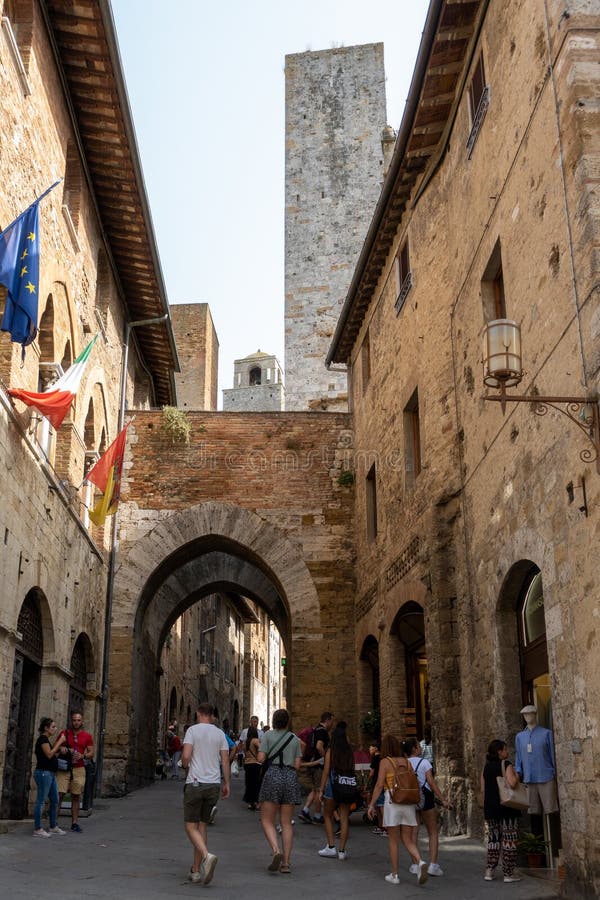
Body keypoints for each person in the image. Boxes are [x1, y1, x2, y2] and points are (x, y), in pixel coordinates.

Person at [368, 733, 428, 886]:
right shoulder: (406, 762)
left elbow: (379, 785)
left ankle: (395, 875)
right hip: (407, 802)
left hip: (392, 801)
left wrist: (371, 804)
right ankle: (420, 862)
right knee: (407, 838)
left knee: (393, 840)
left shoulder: (384, 762)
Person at [181, 702, 230, 885]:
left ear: (198, 714)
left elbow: (186, 756)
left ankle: (206, 856)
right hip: (213, 785)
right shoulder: (220, 734)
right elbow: (225, 761)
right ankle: (195, 870)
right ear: (212, 715)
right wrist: (227, 783)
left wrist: (185, 765)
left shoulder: (192, 731)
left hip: (195, 783)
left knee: (190, 826)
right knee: (202, 825)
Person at [257, 708, 302, 874]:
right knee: (286, 823)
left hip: (273, 775)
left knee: (267, 820)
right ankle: (286, 863)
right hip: (290, 777)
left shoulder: (268, 736)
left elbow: (261, 758)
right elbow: (297, 765)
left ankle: (276, 850)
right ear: (288, 721)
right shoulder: (295, 739)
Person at [404, 737, 449, 877]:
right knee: (432, 831)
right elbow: (431, 782)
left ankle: (415, 864)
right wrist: (443, 799)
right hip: (426, 797)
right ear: (414, 749)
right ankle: (433, 865)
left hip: (411, 798)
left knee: (413, 832)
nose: (421, 747)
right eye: (418, 745)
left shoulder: (404, 763)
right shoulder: (425, 763)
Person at [481, 739, 522, 883]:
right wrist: (517, 775)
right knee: (509, 840)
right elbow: (512, 783)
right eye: (505, 749)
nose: (507, 751)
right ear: (499, 752)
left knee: (493, 839)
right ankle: (508, 873)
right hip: (506, 807)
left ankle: (489, 870)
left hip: (491, 808)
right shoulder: (507, 764)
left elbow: (483, 789)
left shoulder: (486, 767)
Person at [317, 721, 356, 860]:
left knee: (327, 815)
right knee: (344, 818)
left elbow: (326, 772)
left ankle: (331, 846)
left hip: (333, 787)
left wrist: (321, 790)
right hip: (346, 786)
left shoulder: (330, 751)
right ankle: (342, 851)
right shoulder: (349, 751)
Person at [514, 705, 558, 816]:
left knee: (550, 809)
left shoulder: (546, 733)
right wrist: (518, 772)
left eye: (530, 713)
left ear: (535, 714)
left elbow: (552, 753)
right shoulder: (520, 737)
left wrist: (554, 771)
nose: (527, 716)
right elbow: (518, 756)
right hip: (529, 777)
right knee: (533, 809)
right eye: (525, 714)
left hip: (546, 776)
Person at [56, 709, 94, 833]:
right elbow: (56, 747)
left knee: (76, 795)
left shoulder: (87, 736)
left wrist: (83, 756)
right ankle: (54, 823)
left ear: (82, 721)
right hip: (64, 768)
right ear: (71, 721)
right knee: (59, 795)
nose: (76, 723)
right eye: (74, 720)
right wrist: (62, 748)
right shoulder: (64, 733)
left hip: (79, 768)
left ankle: (74, 823)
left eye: (78, 720)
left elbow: (91, 752)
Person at [33, 718, 67, 837]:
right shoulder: (42, 739)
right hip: (44, 773)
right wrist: (60, 742)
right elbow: (48, 754)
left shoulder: (46, 740)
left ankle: (53, 826)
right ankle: (37, 829)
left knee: (55, 800)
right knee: (41, 801)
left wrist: (59, 750)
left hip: (50, 773)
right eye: (53, 727)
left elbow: (51, 754)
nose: (55, 729)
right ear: (46, 728)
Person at [298, 711, 333, 825]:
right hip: (319, 765)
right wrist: (325, 758)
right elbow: (319, 746)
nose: (332, 724)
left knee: (314, 789)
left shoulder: (315, 730)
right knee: (319, 790)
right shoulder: (322, 731)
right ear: (327, 720)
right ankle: (317, 815)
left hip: (313, 762)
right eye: (332, 721)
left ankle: (305, 810)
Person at [368, 739, 386, 835]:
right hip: (382, 783)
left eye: (370, 747)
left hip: (376, 783)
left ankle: (385, 827)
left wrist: (367, 781)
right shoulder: (383, 758)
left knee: (380, 806)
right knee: (379, 805)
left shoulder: (375, 758)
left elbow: (372, 773)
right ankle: (381, 826)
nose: (369, 749)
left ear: (375, 748)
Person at [242, 725, 262, 810]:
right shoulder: (255, 740)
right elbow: (261, 749)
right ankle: (256, 802)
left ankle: (250, 803)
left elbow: (244, 752)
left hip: (247, 764)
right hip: (255, 764)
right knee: (256, 784)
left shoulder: (245, 742)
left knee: (249, 784)